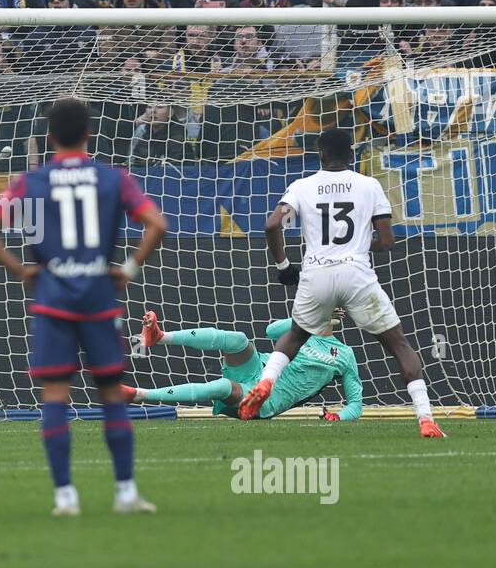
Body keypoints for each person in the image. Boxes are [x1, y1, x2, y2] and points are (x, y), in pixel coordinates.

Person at [0, 97, 169, 517]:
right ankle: (125, 492)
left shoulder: (31, 181)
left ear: (48, 137)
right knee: (112, 396)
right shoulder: (114, 178)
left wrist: (23, 271)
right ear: (89, 134)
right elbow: (158, 224)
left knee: (55, 397)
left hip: (53, 302)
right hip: (99, 299)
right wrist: (129, 268)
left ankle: (66, 498)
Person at [239, 127, 444, 439]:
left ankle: (265, 383)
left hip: (316, 273)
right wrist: (359, 245)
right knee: (397, 343)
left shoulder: (302, 186)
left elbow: (271, 225)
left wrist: (284, 266)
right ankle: (426, 418)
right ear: (351, 154)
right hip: (356, 275)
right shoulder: (369, 185)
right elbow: (387, 241)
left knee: (295, 336)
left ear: (321, 154)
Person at [126, 310, 363, 421]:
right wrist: (312, 316)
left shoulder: (344, 354)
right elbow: (271, 331)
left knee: (221, 387)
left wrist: (339, 418)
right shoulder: (302, 330)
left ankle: (139, 395)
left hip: (267, 399)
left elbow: (356, 405)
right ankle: (159, 336)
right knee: (239, 339)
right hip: (258, 366)